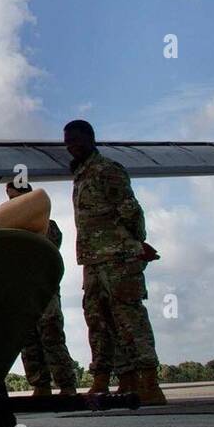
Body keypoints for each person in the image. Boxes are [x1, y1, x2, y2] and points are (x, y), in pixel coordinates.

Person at [64, 120, 165, 405]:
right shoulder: (81, 174)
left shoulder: (107, 170)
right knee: (98, 322)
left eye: (76, 140)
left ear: (90, 138)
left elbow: (131, 210)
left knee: (130, 320)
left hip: (118, 258)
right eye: (68, 142)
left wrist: (133, 244)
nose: (71, 146)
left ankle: (150, 383)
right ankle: (122, 379)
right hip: (93, 260)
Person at [4, 183, 78, 397]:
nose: (13, 203)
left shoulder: (48, 225)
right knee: (27, 340)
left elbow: (47, 248)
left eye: (17, 198)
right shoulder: (9, 228)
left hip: (44, 291)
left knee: (51, 335)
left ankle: (66, 384)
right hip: (22, 292)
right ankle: (40, 385)